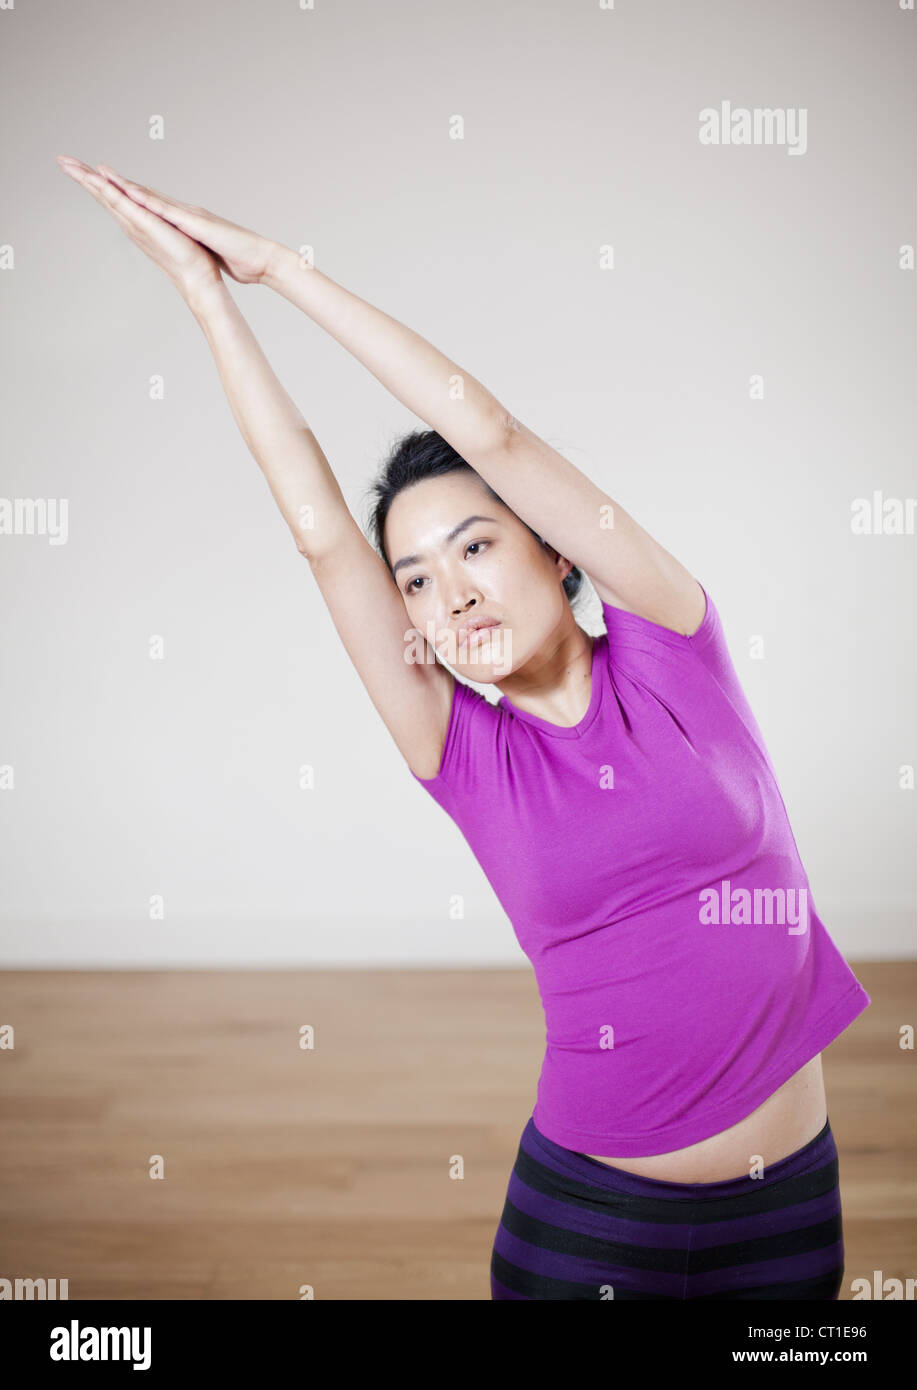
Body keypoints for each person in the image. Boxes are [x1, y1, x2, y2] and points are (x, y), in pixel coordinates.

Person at [56, 155, 871, 1300]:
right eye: (418, 581)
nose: (453, 595)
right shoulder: (465, 755)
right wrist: (208, 300)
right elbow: (319, 535)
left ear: (552, 548)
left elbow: (487, 427)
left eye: (476, 546)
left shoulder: (671, 641)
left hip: (789, 1212)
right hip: (592, 1230)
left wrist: (284, 270)